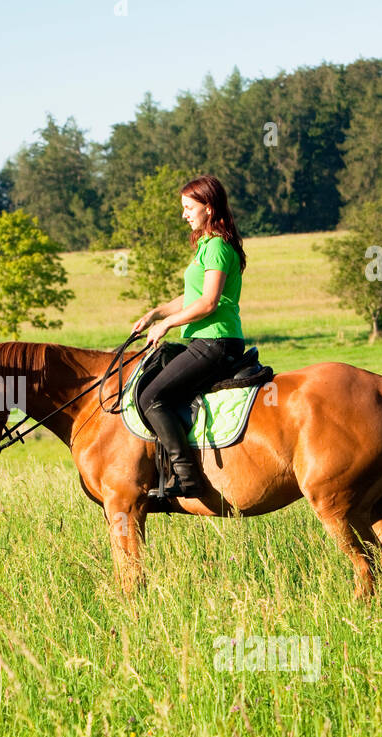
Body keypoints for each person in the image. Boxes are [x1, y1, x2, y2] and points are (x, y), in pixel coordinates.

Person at [132, 174, 248, 498]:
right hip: (205, 340)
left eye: (188, 207)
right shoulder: (206, 246)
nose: (184, 214)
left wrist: (167, 326)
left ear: (208, 208)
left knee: (151, 398)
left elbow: (208, 303)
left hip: (215, 341)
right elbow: (191, 297)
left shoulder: (218, 248)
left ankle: (186, 477)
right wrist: (155, 313)